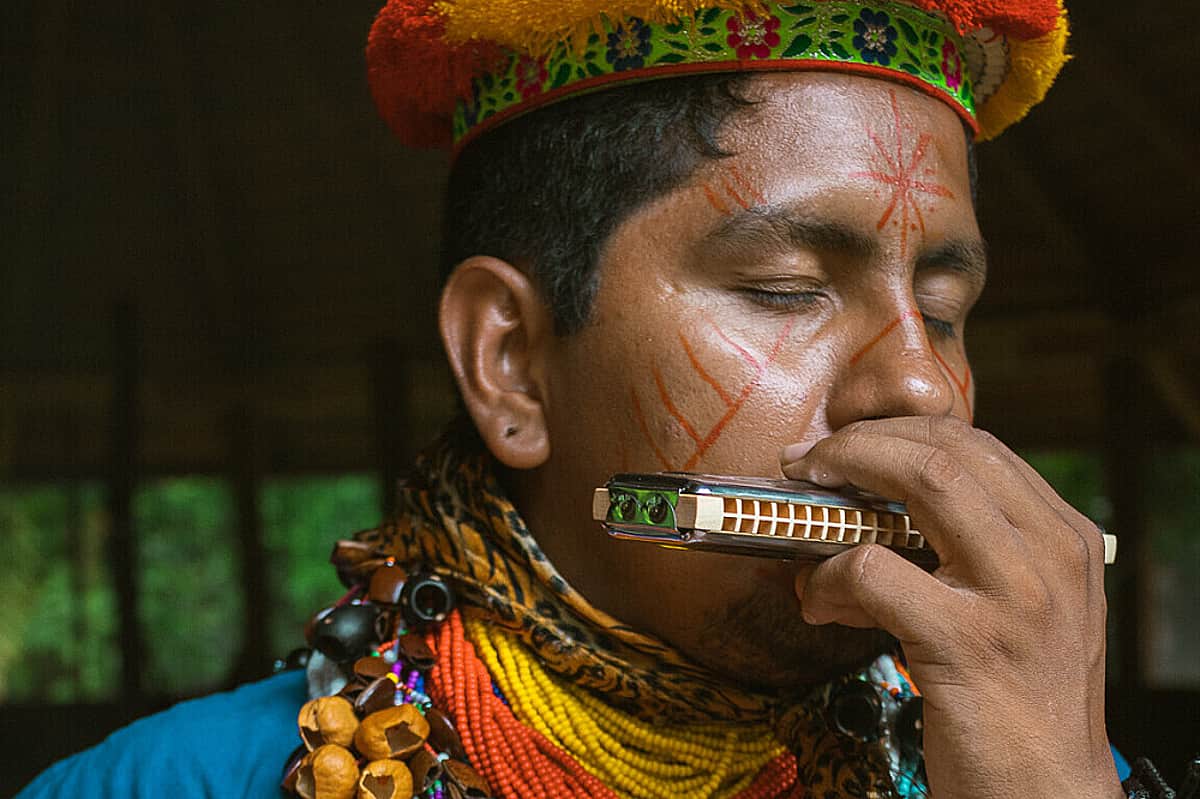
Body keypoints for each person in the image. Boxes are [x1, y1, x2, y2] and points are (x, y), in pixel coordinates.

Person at [19, 0, 1190, 796]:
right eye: (785, 289)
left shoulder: (1022, 764)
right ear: (513, 363)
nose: (922, 383)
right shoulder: (170, 784)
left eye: (942, 307)